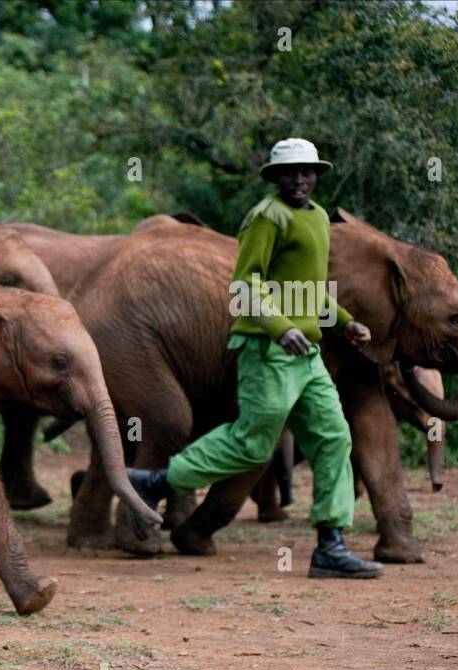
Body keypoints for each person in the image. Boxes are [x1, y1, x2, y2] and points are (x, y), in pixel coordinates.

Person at [127, 138, 383, 579]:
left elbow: (310, 288)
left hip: (308, 355)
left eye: (306, 172)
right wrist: (279, 329)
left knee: (334, 438)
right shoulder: (266, 218)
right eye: (289, 172)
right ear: (275, 177)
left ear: (317, 175)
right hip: (268, 351)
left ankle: (330, 546)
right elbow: (245, 285)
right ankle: (154, 483)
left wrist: (344, 323)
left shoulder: (319, 218)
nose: (298, 179)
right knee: (252, 443)